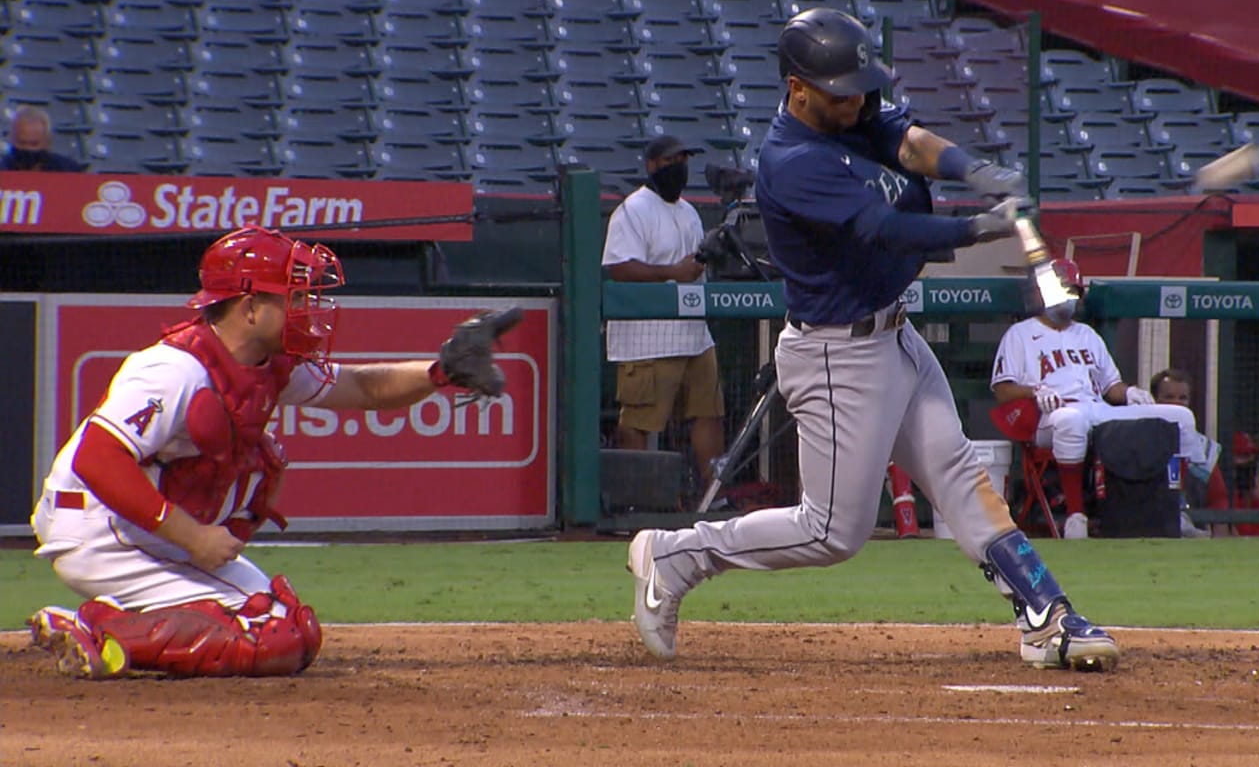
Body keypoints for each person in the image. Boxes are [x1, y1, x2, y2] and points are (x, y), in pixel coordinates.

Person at [626, 7, 1119, 672]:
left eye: (861, 85)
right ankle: (676, 554)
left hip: (894, 334)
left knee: (962, 477)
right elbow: (883, 228)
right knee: (831, 532)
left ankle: (1045, 615)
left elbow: (910, 142)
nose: (857, 99)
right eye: (841, 90)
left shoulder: (854, 113)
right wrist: (981, 227)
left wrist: (974, 170)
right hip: (837, 354)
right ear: (798, 87)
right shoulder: (792, 161)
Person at [27, 226, 516, 679]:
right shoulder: (172, 369)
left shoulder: (264, 362)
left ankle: (121, 627)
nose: (309, 306)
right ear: (249, 307)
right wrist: (193, 536)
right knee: (267, 637)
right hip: (100, 526)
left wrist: (439, 373)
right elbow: (97, 459)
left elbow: (362, 388)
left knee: (292, 631)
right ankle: (100, 629)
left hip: (147, 527)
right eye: (295, 296)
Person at [991, 261, 1220, 540]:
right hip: (1048, 415)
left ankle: (1176, 510)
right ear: (1040, 295)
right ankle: (1076, 517)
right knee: (1070, 420)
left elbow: (1111, 386)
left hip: (1096, 409)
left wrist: (1130, 393)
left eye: (1071, 292)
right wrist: (1034, 392)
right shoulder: (1020, 334)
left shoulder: (1087, 335)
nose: (1066, 298)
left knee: (1179, 417)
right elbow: (1002, 390)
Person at [601, 134, 726, 503]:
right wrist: (672, 271)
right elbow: (619, 268)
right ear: (653, 165)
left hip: (694, 333)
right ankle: (636, 499)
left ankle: (713, 496)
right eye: (673, 161)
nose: (681, 167)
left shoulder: (688, 211)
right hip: (647, 336)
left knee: (709, 414)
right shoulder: (633, 209)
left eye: (685, 159)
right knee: (639, 421)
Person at [1148, 368, 1224, 537]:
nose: (1176, 403)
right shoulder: (1138, 441)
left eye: (1182, 398)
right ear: (1154, 400)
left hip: (1194, 536)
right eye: (1169, 397)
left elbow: (1219, 502)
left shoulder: (1205, 449)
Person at [2, 105, 87, 172]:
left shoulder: (69, 171)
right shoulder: (2, 169)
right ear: (12, 140)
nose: (27, 148)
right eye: (22, 143)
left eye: (34, 144)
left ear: (47, 142)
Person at [1226, 432, 1259, 536]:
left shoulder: (1253, 497)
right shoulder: (1225, 496)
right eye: (1244, 456)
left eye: (1252, 456)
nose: (1251, 460)